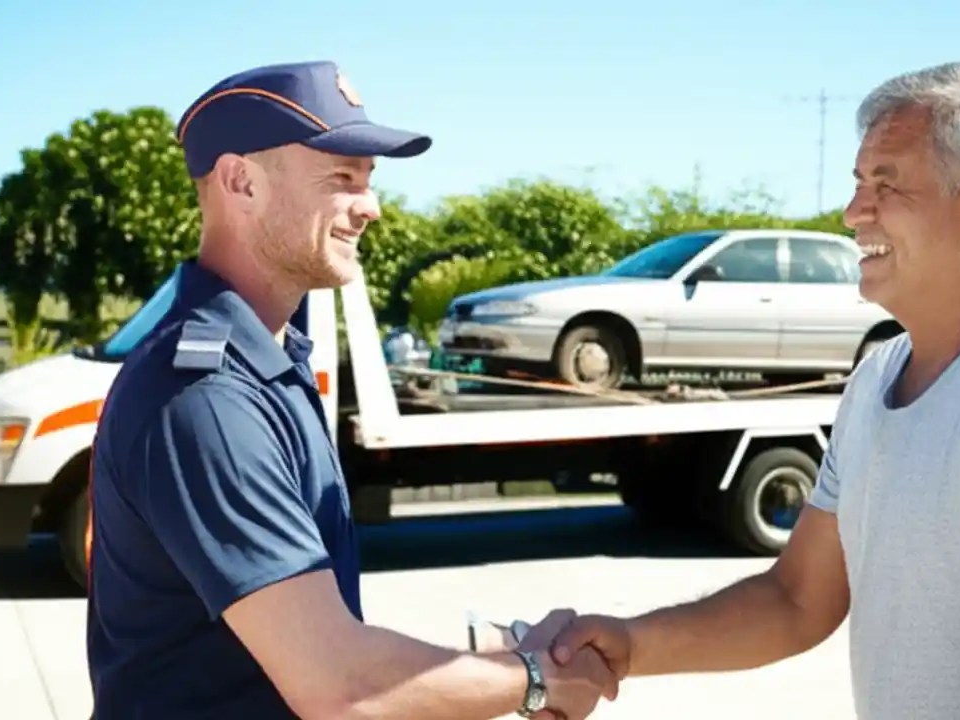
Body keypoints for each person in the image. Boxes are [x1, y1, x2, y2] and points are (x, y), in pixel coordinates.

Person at [530, 62, 960, 720]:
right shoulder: (878, 377)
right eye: (859, 183)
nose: (852, 213)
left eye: (886, 186)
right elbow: (795, 599)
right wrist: (630, 645)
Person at [85, 60, 614, 720]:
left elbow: (303, 634)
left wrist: (500, 651)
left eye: (369, 180)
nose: (371, 207)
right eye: (342, 178)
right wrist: (537, 679)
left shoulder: (267, 359)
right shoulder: (207, 397)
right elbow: (338, 684)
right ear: (240, 181)